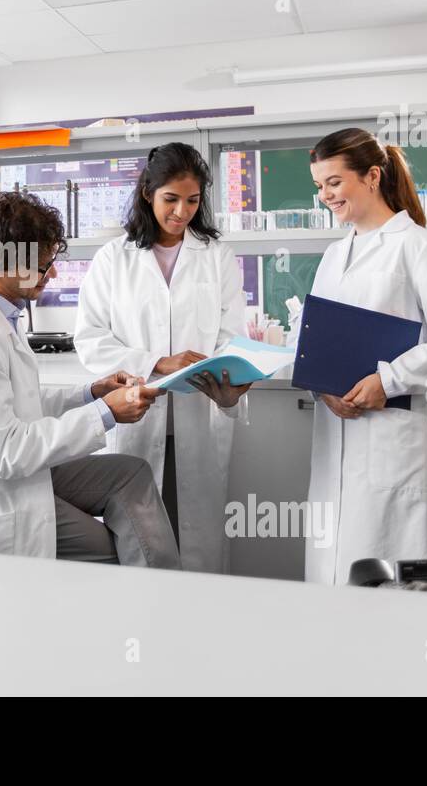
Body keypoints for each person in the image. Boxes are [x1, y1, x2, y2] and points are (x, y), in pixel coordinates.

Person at [0, 190, 181, 568]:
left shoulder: (0, 316)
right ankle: (153, 605)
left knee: (130, 475)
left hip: (7, 477)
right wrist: (105, 414)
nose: (53, 273)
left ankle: (164, 591)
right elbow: (9, 451)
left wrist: (91, 394)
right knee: (120, 548)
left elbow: (20, 402)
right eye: (41, 265)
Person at [303, 127, 427, 585]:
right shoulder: (333, 255)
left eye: (334, 183)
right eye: (319, 186)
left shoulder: (421, 246)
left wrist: (389, 380)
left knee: (398, 581)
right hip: (336, 434)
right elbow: (321, 339)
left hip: (393, 438)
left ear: (372, 176)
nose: (325, 196)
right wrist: (323, 388)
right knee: (333, 580)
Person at [75, 143, 249, 572]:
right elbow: (91, 339)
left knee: (198, 542)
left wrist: (229, 389)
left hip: (199, 418)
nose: (182, 212)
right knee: (139, 543)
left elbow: (232, 339)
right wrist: (158, 362)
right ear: (147, 193)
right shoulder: (114, 259)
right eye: (171, 199)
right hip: (135, 418)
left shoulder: (217, 257)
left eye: (192, 200)